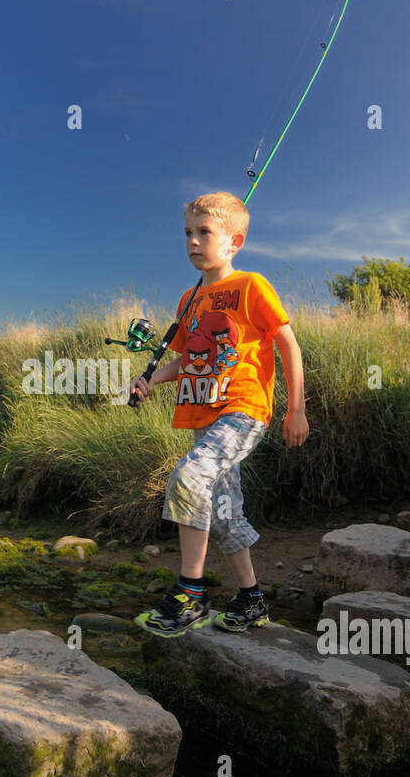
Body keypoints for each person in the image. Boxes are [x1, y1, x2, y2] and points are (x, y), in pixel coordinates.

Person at [130, 191, 309, 637]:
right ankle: (251, 600)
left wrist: (296, 410)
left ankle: (190, 593)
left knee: (189, 477)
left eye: (204, 232)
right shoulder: (187, 302)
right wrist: (151, 380)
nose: (193, 241)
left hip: (244, 410)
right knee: (226, 512)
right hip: (201, 416)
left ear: (235, 241)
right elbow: (187, 360)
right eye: (188, 233)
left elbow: (288, 344)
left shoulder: (251, 286)